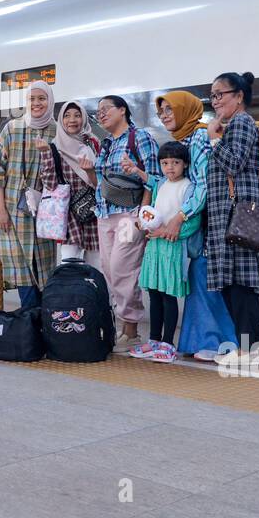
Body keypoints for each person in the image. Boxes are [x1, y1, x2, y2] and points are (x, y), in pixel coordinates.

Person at [148, 92, 237, 361]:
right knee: (199, 281)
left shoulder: (198, 137)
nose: (164, 116)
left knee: (202, 280)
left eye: (169, 110)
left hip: (208, 224)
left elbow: (203, 185)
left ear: (185, 110)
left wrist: (179, 217)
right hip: (196, 226)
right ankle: (201, 340)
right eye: (161, 111)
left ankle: (220, 341)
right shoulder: (182, 140)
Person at [205, 71, 259, 366]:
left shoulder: (242, 122)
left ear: (239, 96)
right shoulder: (234, 125)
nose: (216, 101)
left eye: (221, 94)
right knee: (236, 283)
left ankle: (246, 350)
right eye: (213, 95)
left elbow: (234, 162)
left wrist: (214, 141)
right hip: (233, 215)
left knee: (239, 284)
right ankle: (258, 345)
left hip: (238, 215)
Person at [0, 80, 57, 308]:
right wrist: (0, 210)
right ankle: (30, 320)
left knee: (45, 267)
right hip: (12, 211)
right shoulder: (12, 128)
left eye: (42, 98)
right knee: (21, 267)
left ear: (50, 100)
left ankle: (45, 321)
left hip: (47, 211)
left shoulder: (57, 130)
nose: (37, 103)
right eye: (32, 99)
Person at [100, 95, 159, 352]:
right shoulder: (106, 144)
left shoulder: (140, 138)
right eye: (98, 111)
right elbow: (101, 182)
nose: (100, 114)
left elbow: (154, 176)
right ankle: (124, 327)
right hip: (105, 213)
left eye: (106, 109)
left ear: (122, 110)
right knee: (109, 271)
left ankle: (132, 330)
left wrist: (142, 215)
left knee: (122, 269)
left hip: (130, 213)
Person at [131, 140, 199, 362]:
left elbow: (192, 221)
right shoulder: (160, 184)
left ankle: (168, 344)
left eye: (176, 162)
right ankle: (153, 341)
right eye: (165, 163)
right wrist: (143, 223)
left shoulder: (189, 187)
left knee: (169, 296)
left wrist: (165, 232)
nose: (170, 167)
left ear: (185, 164)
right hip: (154, 247)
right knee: (155, 294)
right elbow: (150, 208)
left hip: (173, 247)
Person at [37, 100, 100, 265]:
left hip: (94, 212)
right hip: (69, 214)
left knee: (97, 267)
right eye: (67, 115)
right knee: (69, 266)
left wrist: (90, 171)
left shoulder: (93, 144)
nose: (72, 120)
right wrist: (45, 154)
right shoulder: (53, 147)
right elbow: (50, 185)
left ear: (84, 119)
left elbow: (101, 183)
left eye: (77, 115)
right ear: (61, 120)